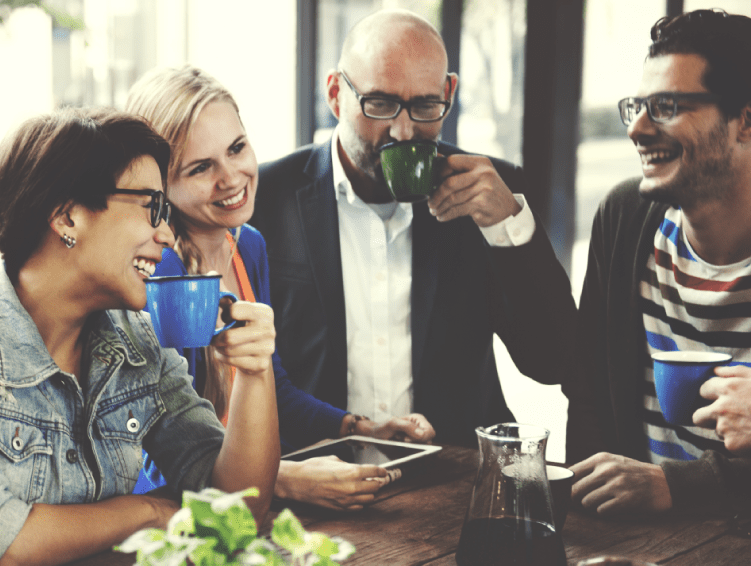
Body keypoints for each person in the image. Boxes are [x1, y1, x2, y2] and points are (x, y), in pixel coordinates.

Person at [0, 108, 279, 566]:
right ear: (67, 216)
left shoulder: (139, 344)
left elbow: (239, 507)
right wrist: (146, 512)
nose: (167, 234)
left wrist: (254, 368)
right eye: (153, 207)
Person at [249, 9, 576, 448]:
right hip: (315, 484)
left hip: (453, 487)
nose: (404, 132)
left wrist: (507, 226)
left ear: (449, 93)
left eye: (424, 106)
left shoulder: (488, 194)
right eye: (380, 104)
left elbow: (553, 360)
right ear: (334, 94)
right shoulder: (266, 200)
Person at [125, 65, 434, 511]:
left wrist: (362, 427)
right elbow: (159, 452)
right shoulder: (163, 275)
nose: (231, 177)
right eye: (199, 168)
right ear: (162, 185)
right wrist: (284, 478)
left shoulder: (247, 245)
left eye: (236, 148)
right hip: (182, 524)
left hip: (247, 505)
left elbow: (274, 387)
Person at [567, 9, 751, 517]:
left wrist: (682, 486)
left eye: (667, 106)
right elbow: (588, 396)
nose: (638, 130)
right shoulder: (625, 218)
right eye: (639, 107)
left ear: (745, 121)